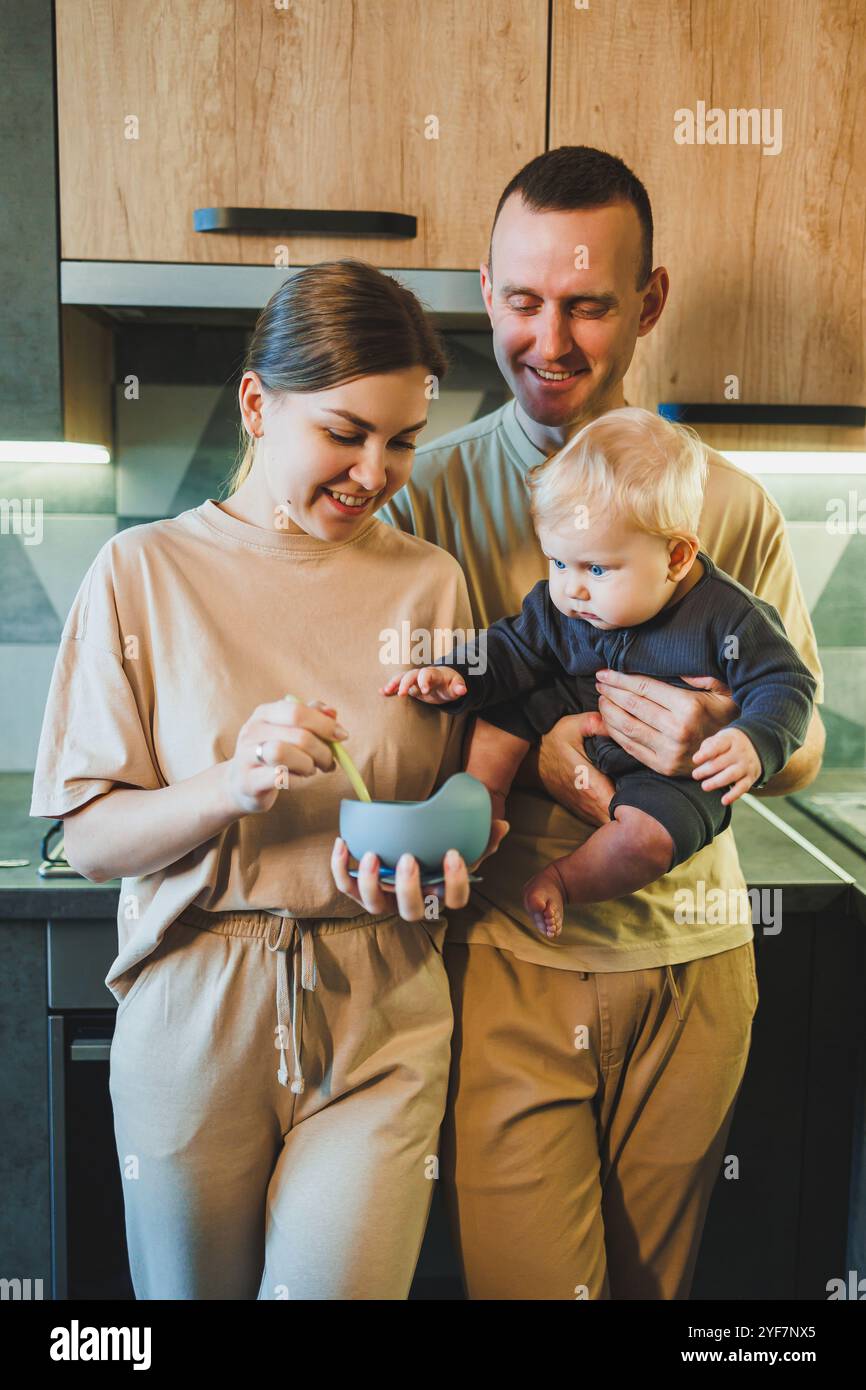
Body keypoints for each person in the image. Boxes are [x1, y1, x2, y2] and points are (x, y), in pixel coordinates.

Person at [381, 146, 826, 1300]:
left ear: (648, 302)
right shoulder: (421, 491)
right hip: (510, 959)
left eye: (586, 305)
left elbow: (809, 740)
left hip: (695, 963)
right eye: (522, 302)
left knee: (652, 1291)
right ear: (484, 292)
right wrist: (545, 751)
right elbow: (391, 728)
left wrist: (716, 737)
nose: (550, 339)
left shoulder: (725, 503)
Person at [29, 259, 505, 1301]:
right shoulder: (140, 574)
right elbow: (96, 839)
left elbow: (455, 800)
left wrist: (455, 857)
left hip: (382, 1004)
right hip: (196, 1010)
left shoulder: (431, 581)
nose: (375, 470)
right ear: (257, 404)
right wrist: (230, 784)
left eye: (400, 443)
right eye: (344, 432)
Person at [385, 406, 817, 937]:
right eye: (559, 562)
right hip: (568, 707)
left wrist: (753, 739)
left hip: (663, 779)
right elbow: (511, 648)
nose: (572, 589)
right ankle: (482, 805)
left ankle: (565, 882)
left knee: (652, 838)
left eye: (596, 568)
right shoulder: (561, 604)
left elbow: (788, 683)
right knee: (504, 706)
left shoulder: (731, 618)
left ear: (677, 557)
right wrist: (457, 676)